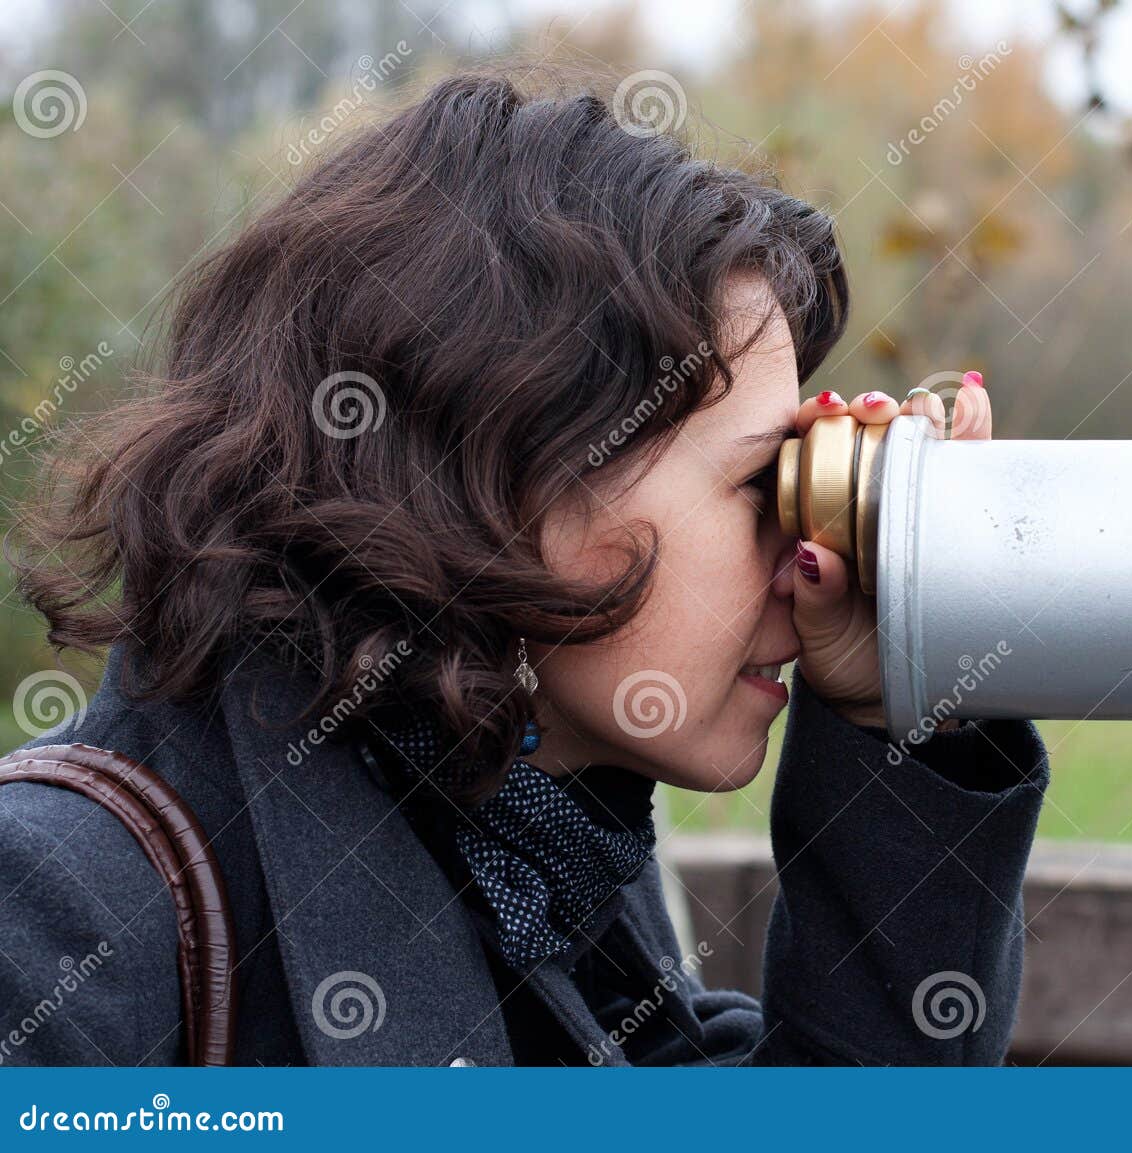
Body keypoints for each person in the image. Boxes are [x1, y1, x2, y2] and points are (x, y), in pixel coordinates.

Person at [0, 70, 1049, 1066]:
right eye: (760, 484)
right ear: (501, 484)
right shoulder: (55, 913)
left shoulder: (527, 828)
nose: (805, 558)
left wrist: (898, 711)